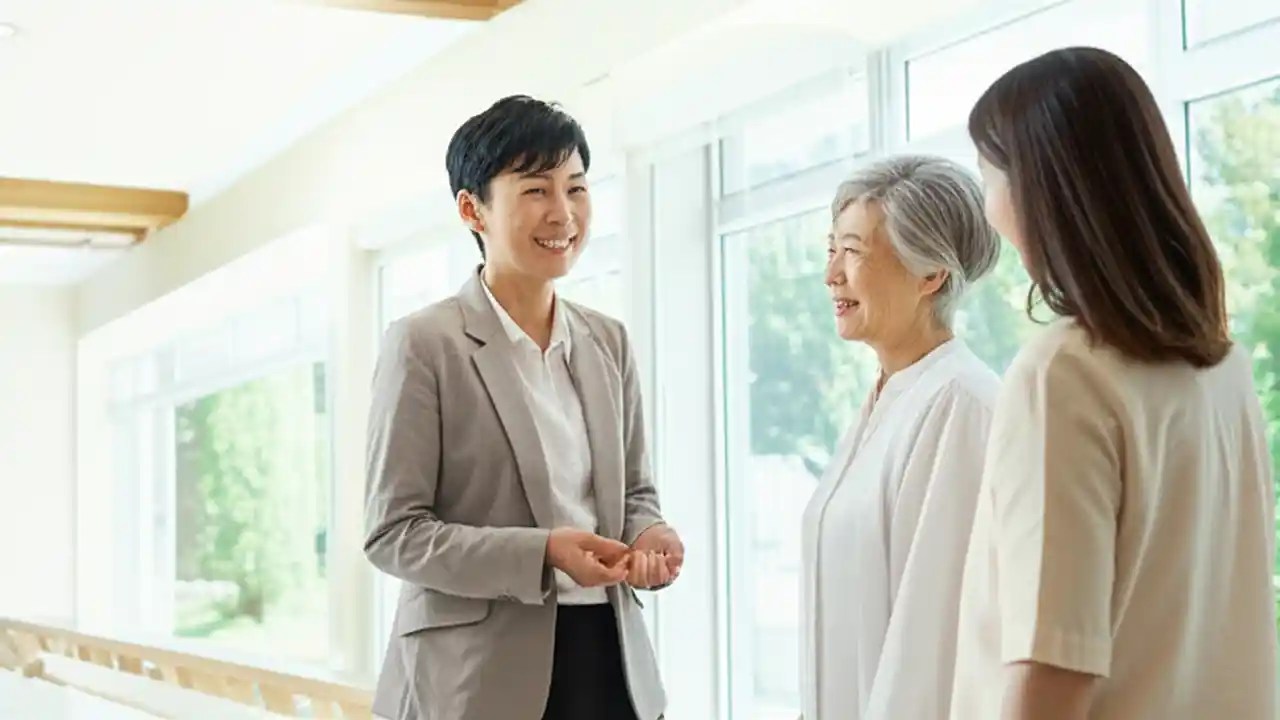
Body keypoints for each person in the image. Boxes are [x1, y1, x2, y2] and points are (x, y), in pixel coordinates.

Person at [951, 46, 1277, 720]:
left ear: (1043, 186)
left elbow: (1054, 670)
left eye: (989, 176)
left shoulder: (1062, 375)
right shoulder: (1224, 370)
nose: (987, 208)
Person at [363, 95, 684, 720]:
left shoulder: (607, 341)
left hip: (611, 662)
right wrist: (541, 552)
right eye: (535, 189)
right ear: (471, 209)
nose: (562, 213)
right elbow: (394, 534)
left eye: (576, 187)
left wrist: (649, 534)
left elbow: (635, 492)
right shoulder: (424, 344)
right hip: (474, 679)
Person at [800, 155, 1003, 719]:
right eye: (831, 249)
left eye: (854, 252)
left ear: (930, 274)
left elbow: (930, 644)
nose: (832, 274)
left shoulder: (961, 406)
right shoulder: (889, 399)